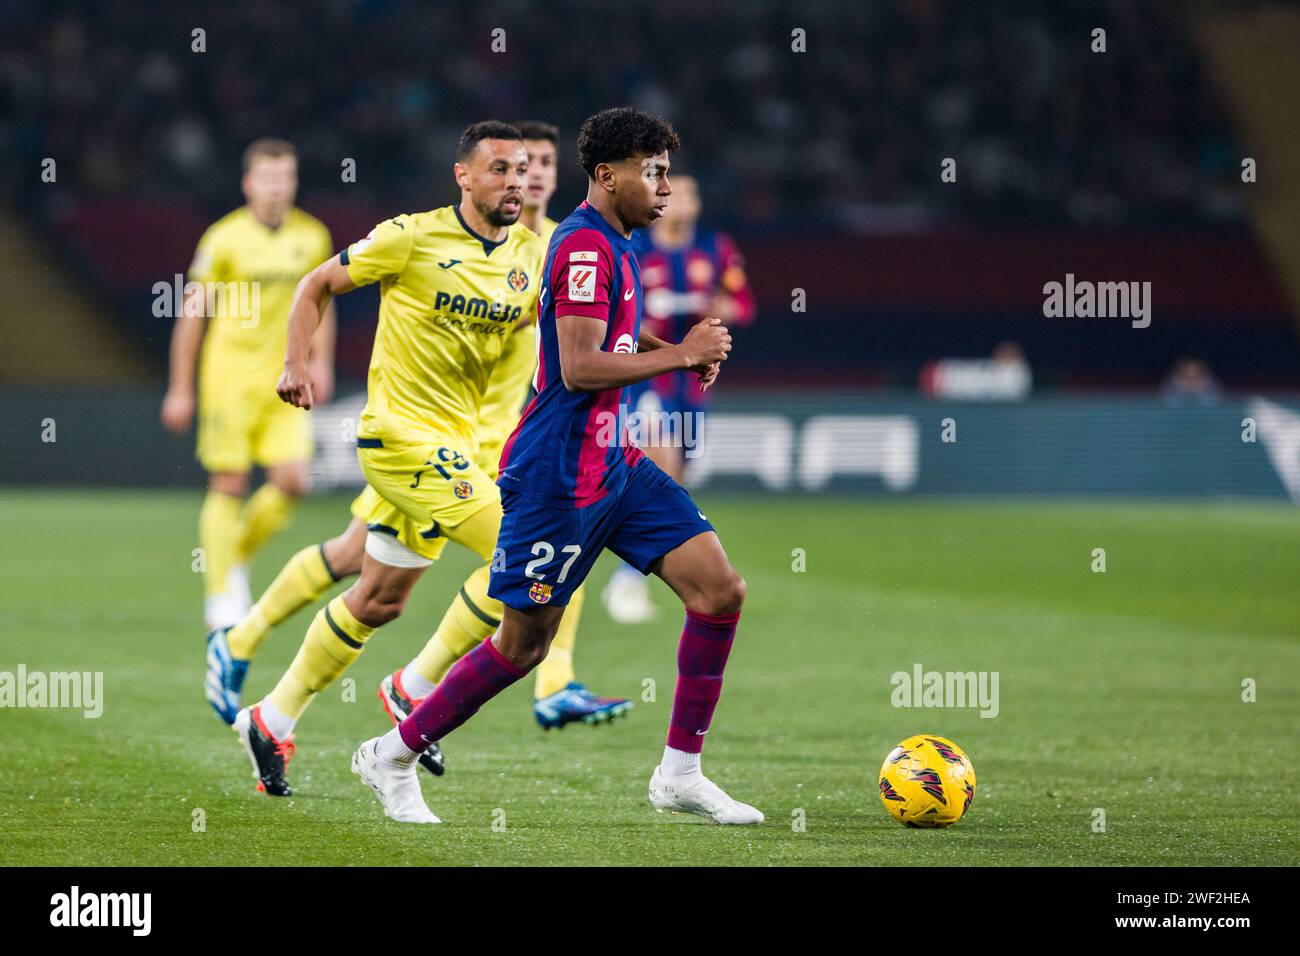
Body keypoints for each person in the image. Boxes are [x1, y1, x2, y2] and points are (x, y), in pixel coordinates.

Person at [351, 107, 763, 826]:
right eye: (653, 171)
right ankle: (390, 754)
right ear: (607, 175)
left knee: (720, 591)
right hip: (557, 476)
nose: (664, 187)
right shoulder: (581, 247)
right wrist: (682, 355)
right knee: (522, 646)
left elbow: (619, 334)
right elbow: (577, 367)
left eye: (668, 171)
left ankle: (680, 773)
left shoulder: (617, 240)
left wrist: (679, 339)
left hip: (616, 465)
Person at [231, 121, 546, 797]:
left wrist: (670, 348)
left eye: (522, 170)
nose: (515, 182)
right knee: (528, 552)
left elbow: (578, 327)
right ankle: (416, 690)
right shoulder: (410, 235)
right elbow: (315, 285)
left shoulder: (530, 257)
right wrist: (294, 365)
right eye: (499, 169)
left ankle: (270, 717)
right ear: (463, 176)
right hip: (400, 441)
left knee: (378, 600)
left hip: (456, 450)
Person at [162, 138, 335, 631]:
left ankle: (232, 557)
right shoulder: (223, 238)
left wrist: (318, 360)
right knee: (230, 484)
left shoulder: (313, 236)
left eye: (287, 177)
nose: (278, 187)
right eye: (269, 177)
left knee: (293, 481)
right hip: (229, 379)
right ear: (248, 183)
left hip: (285, 376)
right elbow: (192, 314)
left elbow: (324, 302)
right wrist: (181, 387)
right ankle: (221, 595)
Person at [603, 173, 754, 623]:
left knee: (677, 472)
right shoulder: (638, 247)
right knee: (662, 461)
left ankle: (624, 576)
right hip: (648, 376)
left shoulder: (716, 249)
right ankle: (627, 584)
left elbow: (743, 303)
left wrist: (724, 309)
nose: (679, 198)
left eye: (690, 191)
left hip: (694, 380)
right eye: (673, 191)